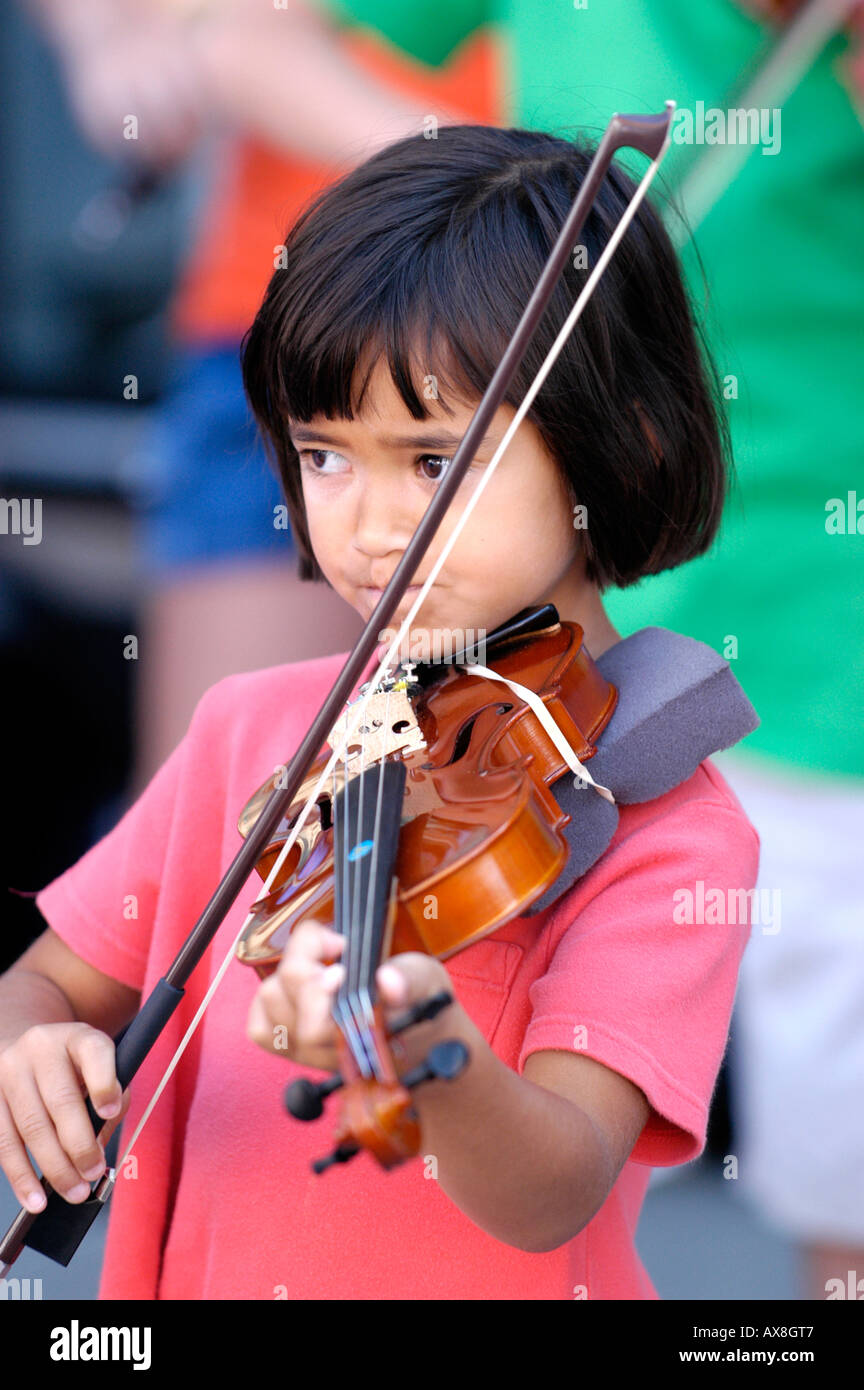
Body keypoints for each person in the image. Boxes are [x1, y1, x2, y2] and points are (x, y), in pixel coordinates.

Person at [0, 123, 759, 1300]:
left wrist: (428, 1057)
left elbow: (557, 1184)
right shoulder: (253, 732)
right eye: (325, 454)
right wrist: (29, 1047)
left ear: (622, 442)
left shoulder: (669, 833)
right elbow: (47, 979)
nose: (366, 528)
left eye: (432, 459)